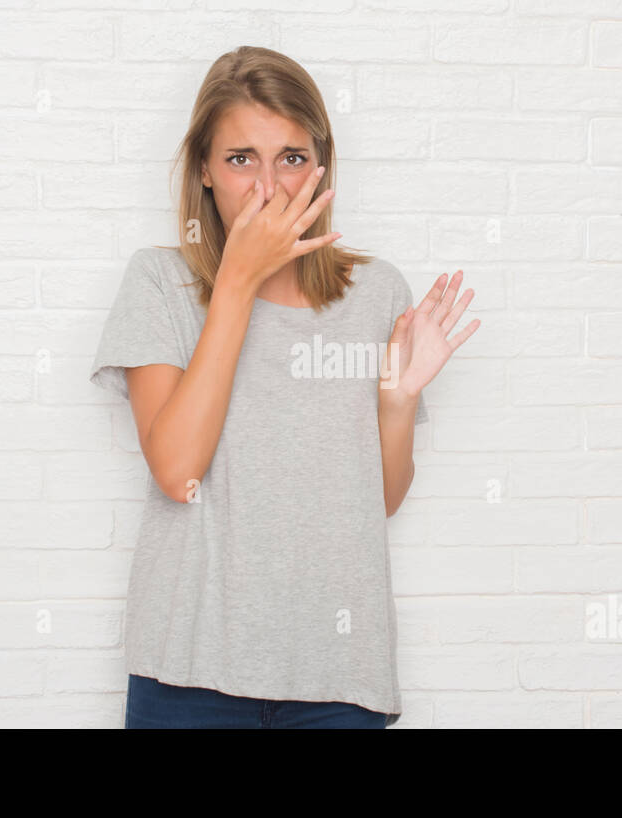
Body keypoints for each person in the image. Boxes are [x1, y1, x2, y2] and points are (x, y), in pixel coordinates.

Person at [89, 46, 479, 729]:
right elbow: (177, 470)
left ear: (321, 167)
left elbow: (376, 501)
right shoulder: (160, 285)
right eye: (241, 158)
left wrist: (396, 403)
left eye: (291, 158)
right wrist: (236, 282)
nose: (269, 187)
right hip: (189, 673)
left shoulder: (375, 292)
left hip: (338, 676)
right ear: (204, 171)